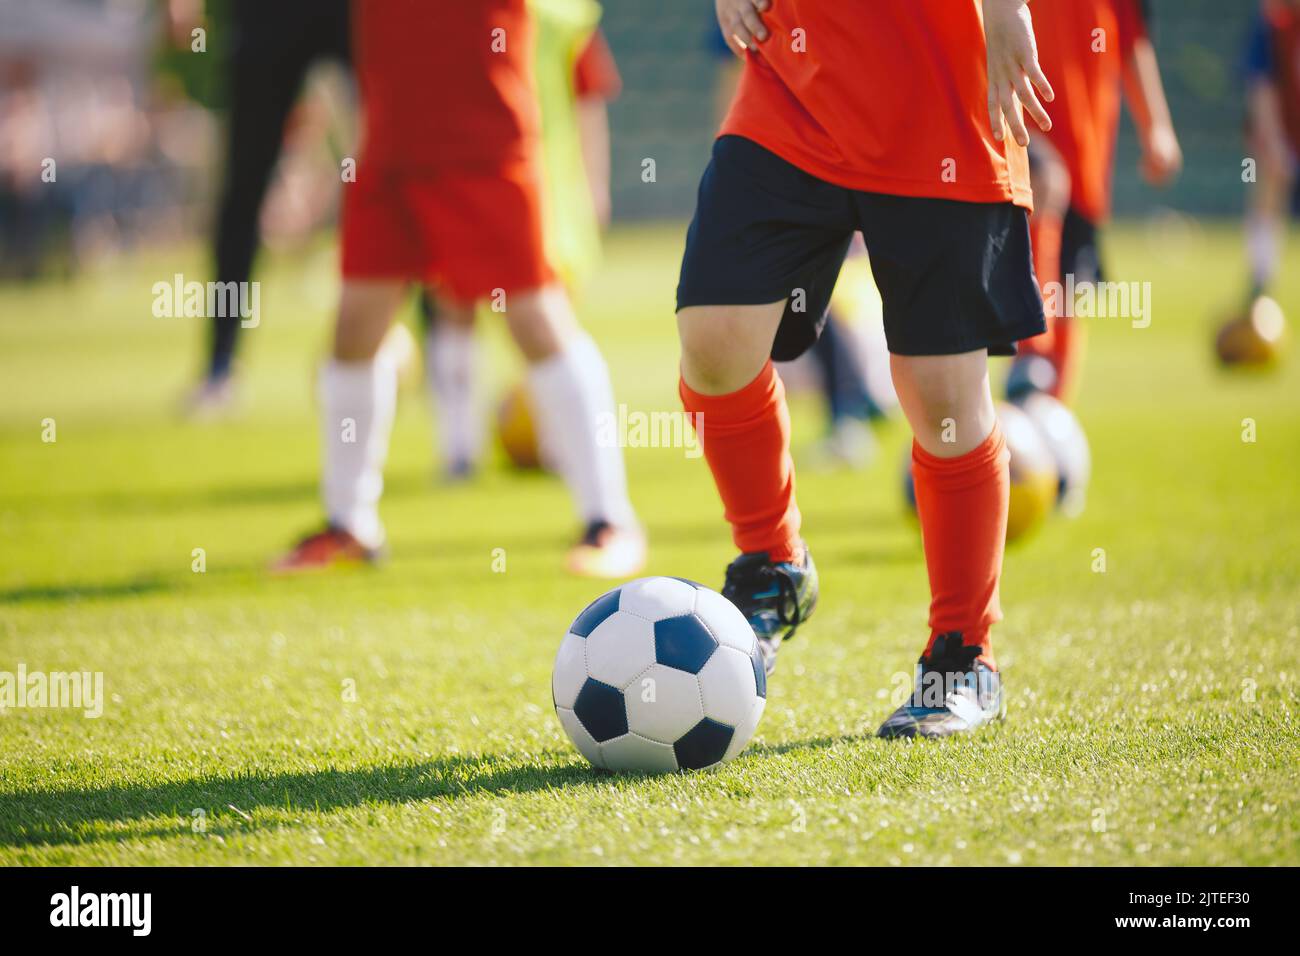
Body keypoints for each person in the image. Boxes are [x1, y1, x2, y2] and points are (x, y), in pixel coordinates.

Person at [677, 0, 1052, 737]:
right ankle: (772, 567)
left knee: (941, 393)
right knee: (716, 337)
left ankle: (962, 655)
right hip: (792, 77)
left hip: (943, 91)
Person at [274, 0, 644, 578]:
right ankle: (350, 526)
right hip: (391, 146)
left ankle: (610, 520)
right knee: (353, 330)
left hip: (487, 141)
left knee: (535, 319)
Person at [421, 0, 622, 480]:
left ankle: (558, 443)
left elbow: (587, 94)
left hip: (547, 176)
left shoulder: (567, 13)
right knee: (454, 298)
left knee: (549, 305)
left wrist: (595, 179)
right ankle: (458, 446)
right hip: (468, 167)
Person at [177, 0, 351, 416]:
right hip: (268, 13)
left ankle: (443, 353)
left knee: (405, 172)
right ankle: (220, 369)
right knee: (244, 186)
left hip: (358, 11)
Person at [1007, 0, 1181, 404]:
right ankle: (1030, 354)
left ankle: (1047, 417)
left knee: (1069, 291)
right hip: (1013, 126)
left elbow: (1132, 36)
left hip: (1085, 145)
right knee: (1047, 180)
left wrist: (1156, 125)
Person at [1239, 0, 1300, 306]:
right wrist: (1275, 144)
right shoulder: (1272, 24)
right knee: (1261, 179)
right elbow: (1260, 86)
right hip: (1278, 135)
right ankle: (1260, 283)